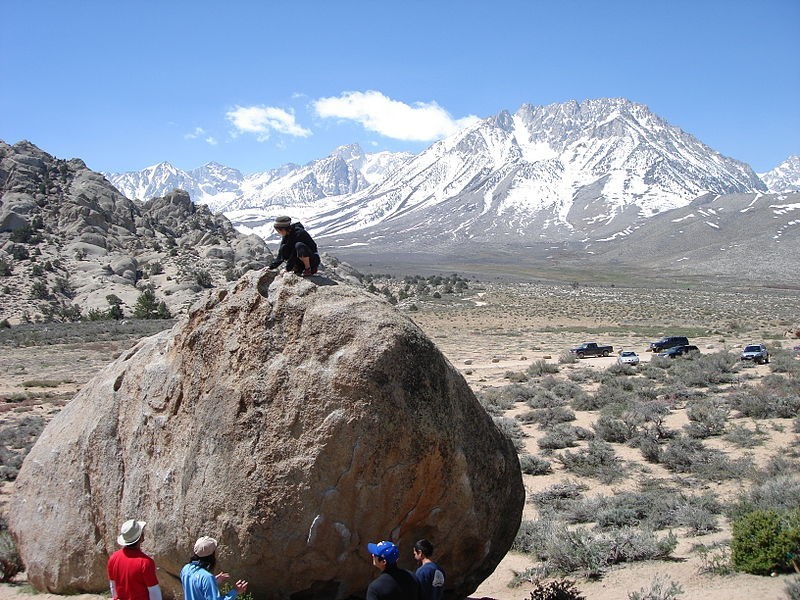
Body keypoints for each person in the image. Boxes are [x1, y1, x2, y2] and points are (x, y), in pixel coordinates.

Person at [107, 519, 162, 600]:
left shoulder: (113, 558)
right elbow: (154, 592)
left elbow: (113, 586)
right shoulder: (145, 563)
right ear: (141, 538)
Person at [180, 536, 248, 600]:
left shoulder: (186, 569)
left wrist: (214, 581)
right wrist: (236, 591)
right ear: (211, 555)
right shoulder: (207, 577)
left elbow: (195, 587)